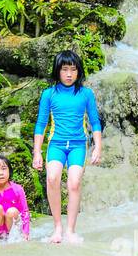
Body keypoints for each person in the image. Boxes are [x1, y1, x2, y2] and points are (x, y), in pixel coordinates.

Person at [32, 51, 102, 245]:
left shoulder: (86, 94)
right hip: (56, 144)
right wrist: (37, 152)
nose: (69, 74)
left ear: (79, 71)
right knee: (52, 178)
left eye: (73, 69)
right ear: (58, 71)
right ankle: (57, 228)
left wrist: (98, 147)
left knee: (74, 183)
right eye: (64, 69)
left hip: (78, 145)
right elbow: (41, 124)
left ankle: (70, 230)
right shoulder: (49, 94)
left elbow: (95, 122)